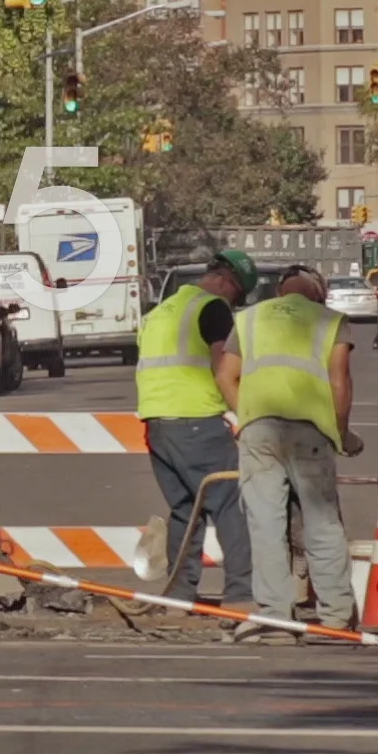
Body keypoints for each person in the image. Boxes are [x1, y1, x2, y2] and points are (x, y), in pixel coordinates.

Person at [216, 265, 365, 643]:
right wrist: (342, 433)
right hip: (310, 431)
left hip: (259, 431)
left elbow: (225, 376)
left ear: (281, 290)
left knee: (265, 525)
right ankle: (334, 619)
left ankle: (275, 620)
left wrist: (247, 416)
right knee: (321, 522)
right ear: (316, 292)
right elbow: (339, 380)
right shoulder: (330, 320)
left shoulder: (248, 318)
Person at [135, 249, 256, 611]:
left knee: (185, 509)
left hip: (157, 425)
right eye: (236, 294)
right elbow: (224, 368)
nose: (233, 302)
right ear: (227, 281)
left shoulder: (160, 312)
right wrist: (247, 414)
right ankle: (241, 593)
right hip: (196, 422)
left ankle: (179, 593)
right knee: (231, 503)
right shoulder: (212, 308)